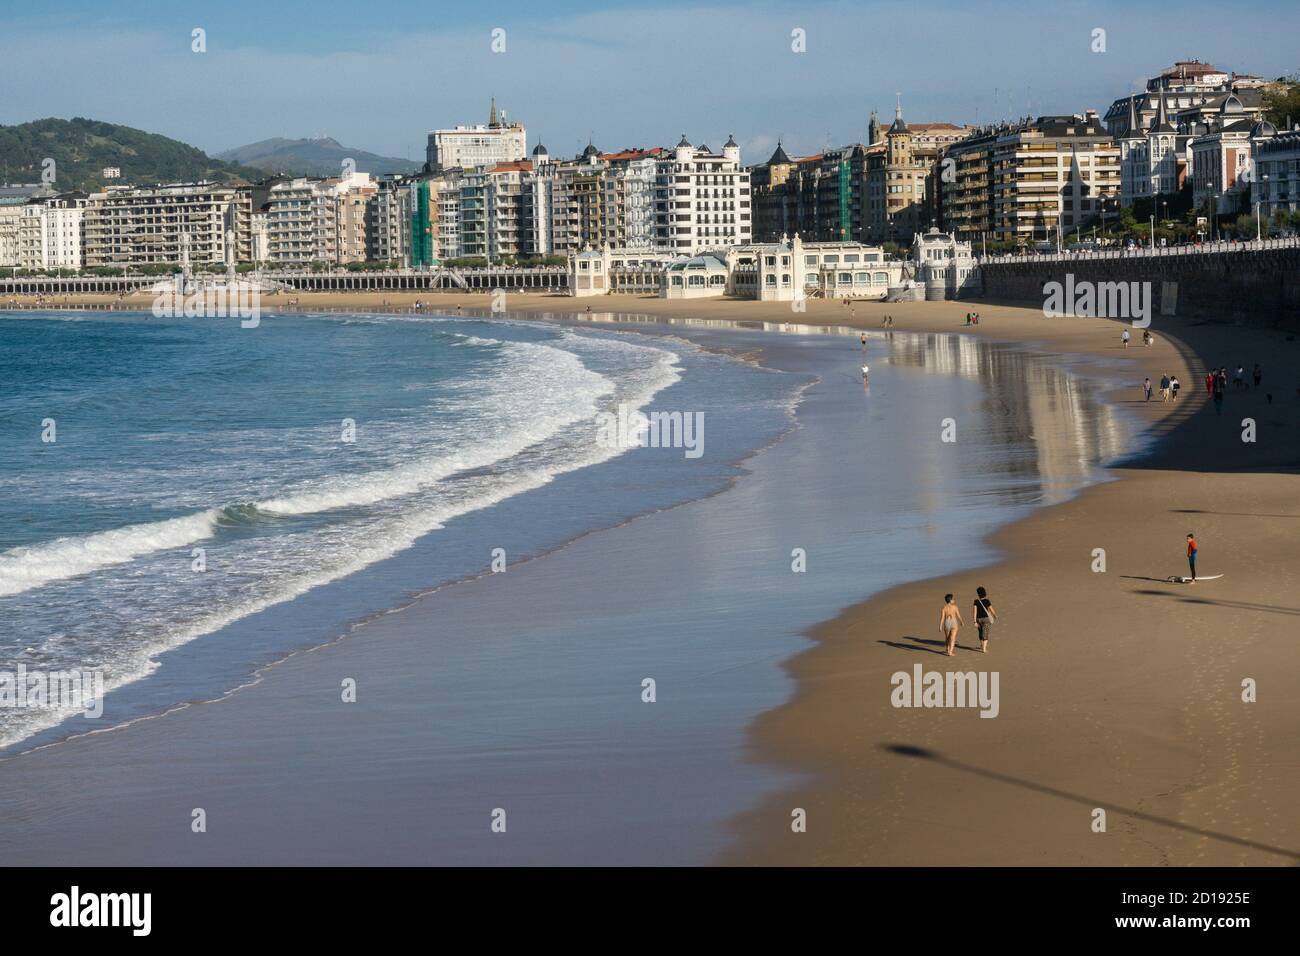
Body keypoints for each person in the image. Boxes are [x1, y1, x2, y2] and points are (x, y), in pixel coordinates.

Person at [972, 587, 997, 653]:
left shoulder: (976, 601)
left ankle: (982, 646)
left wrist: (974, 621)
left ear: (978, 594)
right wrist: (995, 615)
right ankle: (984, 649)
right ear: (984, 593)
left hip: (978, 619)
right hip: (986, 619)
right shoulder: (987, 601)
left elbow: (974, 612)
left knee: (980, 633)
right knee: (985, 633)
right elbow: (991, 609)